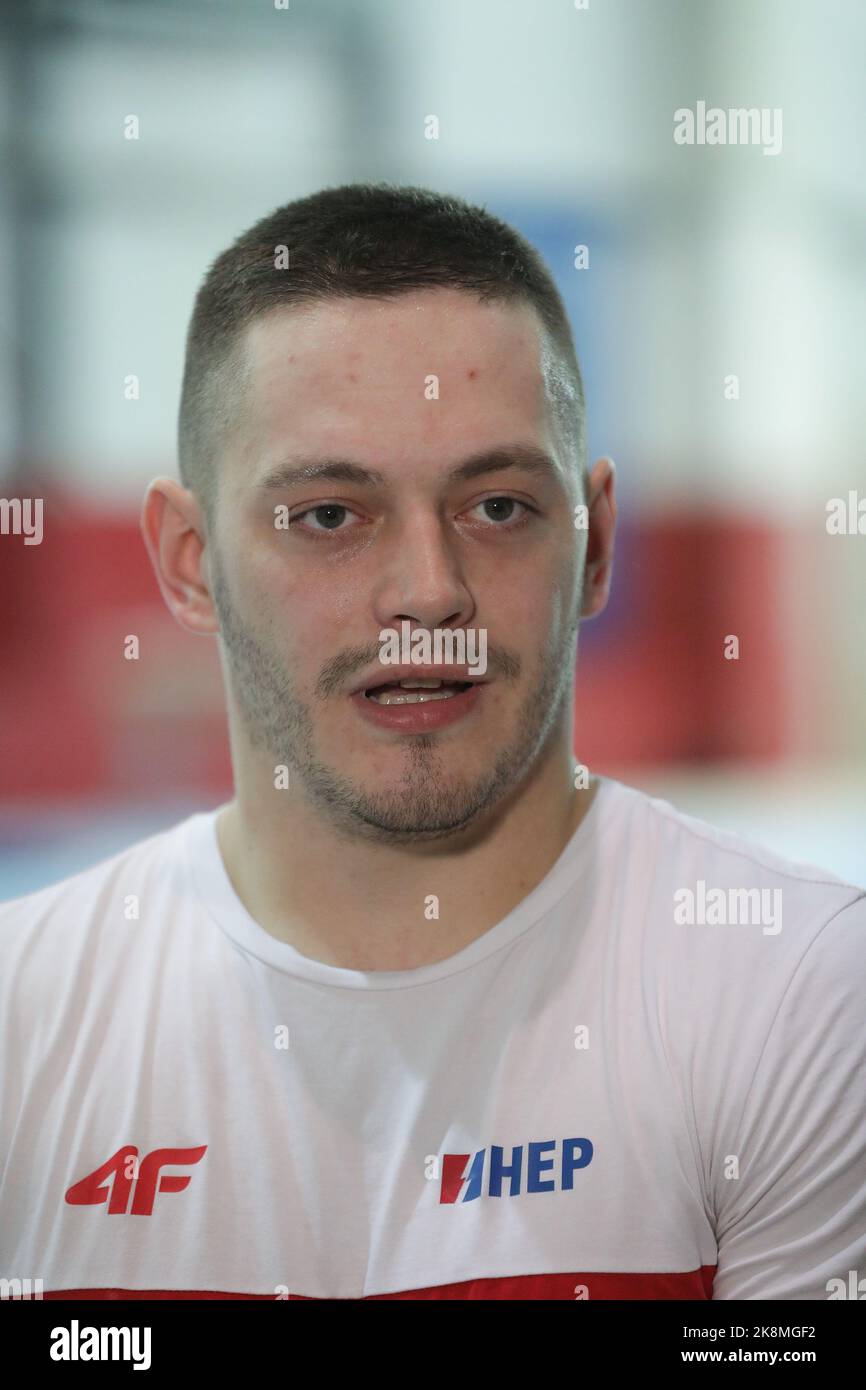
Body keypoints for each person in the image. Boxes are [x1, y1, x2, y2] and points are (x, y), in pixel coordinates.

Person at [1, 184, 863, 1301]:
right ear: (185, 559)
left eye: (496, 506)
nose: (425, 594)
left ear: (595, 545)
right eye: (327, 515)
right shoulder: (23, 1019)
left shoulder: (796, 992)